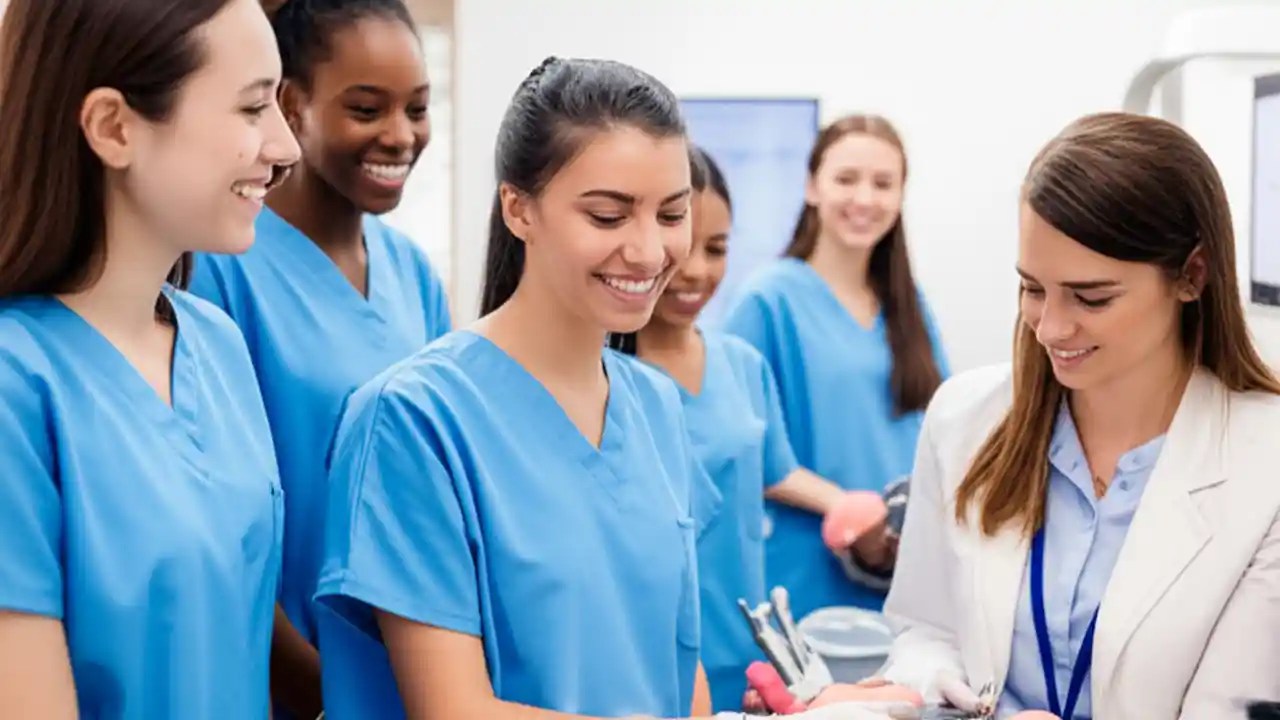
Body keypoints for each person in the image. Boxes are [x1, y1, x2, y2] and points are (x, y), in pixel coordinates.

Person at [311, 56, 901, 720]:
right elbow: (454, 711)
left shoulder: (654, 408)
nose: (650, 252)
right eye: (608, 216)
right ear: (519, 209)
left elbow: (678, 675)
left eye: (670, 214)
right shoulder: (414, 420)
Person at [881, 112, 1280, 719]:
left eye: (1091, 297)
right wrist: (937, 685)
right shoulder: (964, 419)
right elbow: (922, 628)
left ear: (1191, 276)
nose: (1050, 327)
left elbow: (1232, 710)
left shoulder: (1265, 461)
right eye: (1032, 288)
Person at [0, 0, 300, 717]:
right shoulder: (17, 384)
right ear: (113, 127)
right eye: (253, 108)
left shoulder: (217, 344)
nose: (286, 146)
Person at [188, 0, 450, 713]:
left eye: (417, 109)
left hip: (406, 678)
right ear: (290, 102)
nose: (400, 136)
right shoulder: (218, 268)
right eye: (366, 109)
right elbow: (216, 520)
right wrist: (319, 689)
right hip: (280, 680)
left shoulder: (412, 274)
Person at [617, 146, 868, 712]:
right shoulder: (605, 380)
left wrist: (860, 510)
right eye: (684, 247)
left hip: (750, 656)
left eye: (718, 248)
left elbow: (775, 473)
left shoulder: (741, 364)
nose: (697, 270)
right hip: (650, 661)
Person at [721, 114, 950, 619]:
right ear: (811, 186)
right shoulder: (769, 300)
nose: (864, 199)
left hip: (900, 577)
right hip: (809, 580)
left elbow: (947, 427)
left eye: (882, 183)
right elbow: (732, 437)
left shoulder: (907, 305)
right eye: (846, 179)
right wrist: (846, 509)